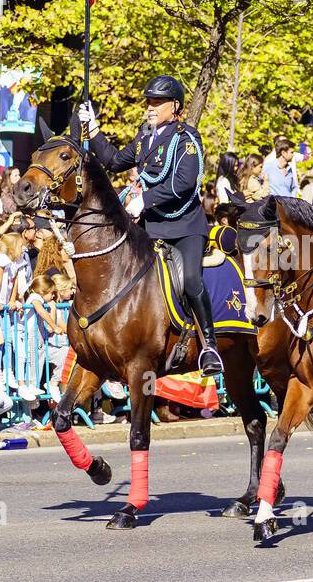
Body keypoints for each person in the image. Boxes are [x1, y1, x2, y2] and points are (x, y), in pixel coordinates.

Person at [78, 74, 223, 377]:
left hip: (184, 226)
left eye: (157, 102)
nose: (150, 107)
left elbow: (185, 182)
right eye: (149, 102)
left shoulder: (187, 138)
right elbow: (115, 161)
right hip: (151, 229)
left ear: (175, 105)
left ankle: (209, 347)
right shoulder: (145, 137)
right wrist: (93, 129)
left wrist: (146, 200)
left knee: (192, 280)